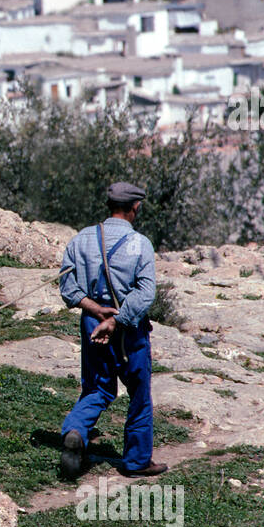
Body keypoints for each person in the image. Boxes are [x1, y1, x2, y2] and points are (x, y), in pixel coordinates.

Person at [57, 181, 167, 478]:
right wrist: (116, 321)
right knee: (139, 394)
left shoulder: (80, 240)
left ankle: (77, 430)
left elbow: (68, 289)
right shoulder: (140, 244)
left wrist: (96, 311)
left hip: (93, 322)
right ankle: (137, 461)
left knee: (98, 388)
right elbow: (145, 293)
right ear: (135, 207)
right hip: (128, 326)